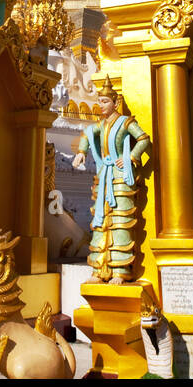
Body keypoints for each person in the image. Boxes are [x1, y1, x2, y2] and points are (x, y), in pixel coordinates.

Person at [72, 77, 150, 283]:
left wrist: (131, 157)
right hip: (104, 176)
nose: (101, 105)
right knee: (102, 221)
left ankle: (120, 271)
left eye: (105, 101)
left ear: (115, 103)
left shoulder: (125, 122)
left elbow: (144, 139)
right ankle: (99, 269)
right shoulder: (100, 124)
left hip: (121, 177)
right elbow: (87, 134)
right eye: (100, 101)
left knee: (120, 221)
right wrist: (81, 152)